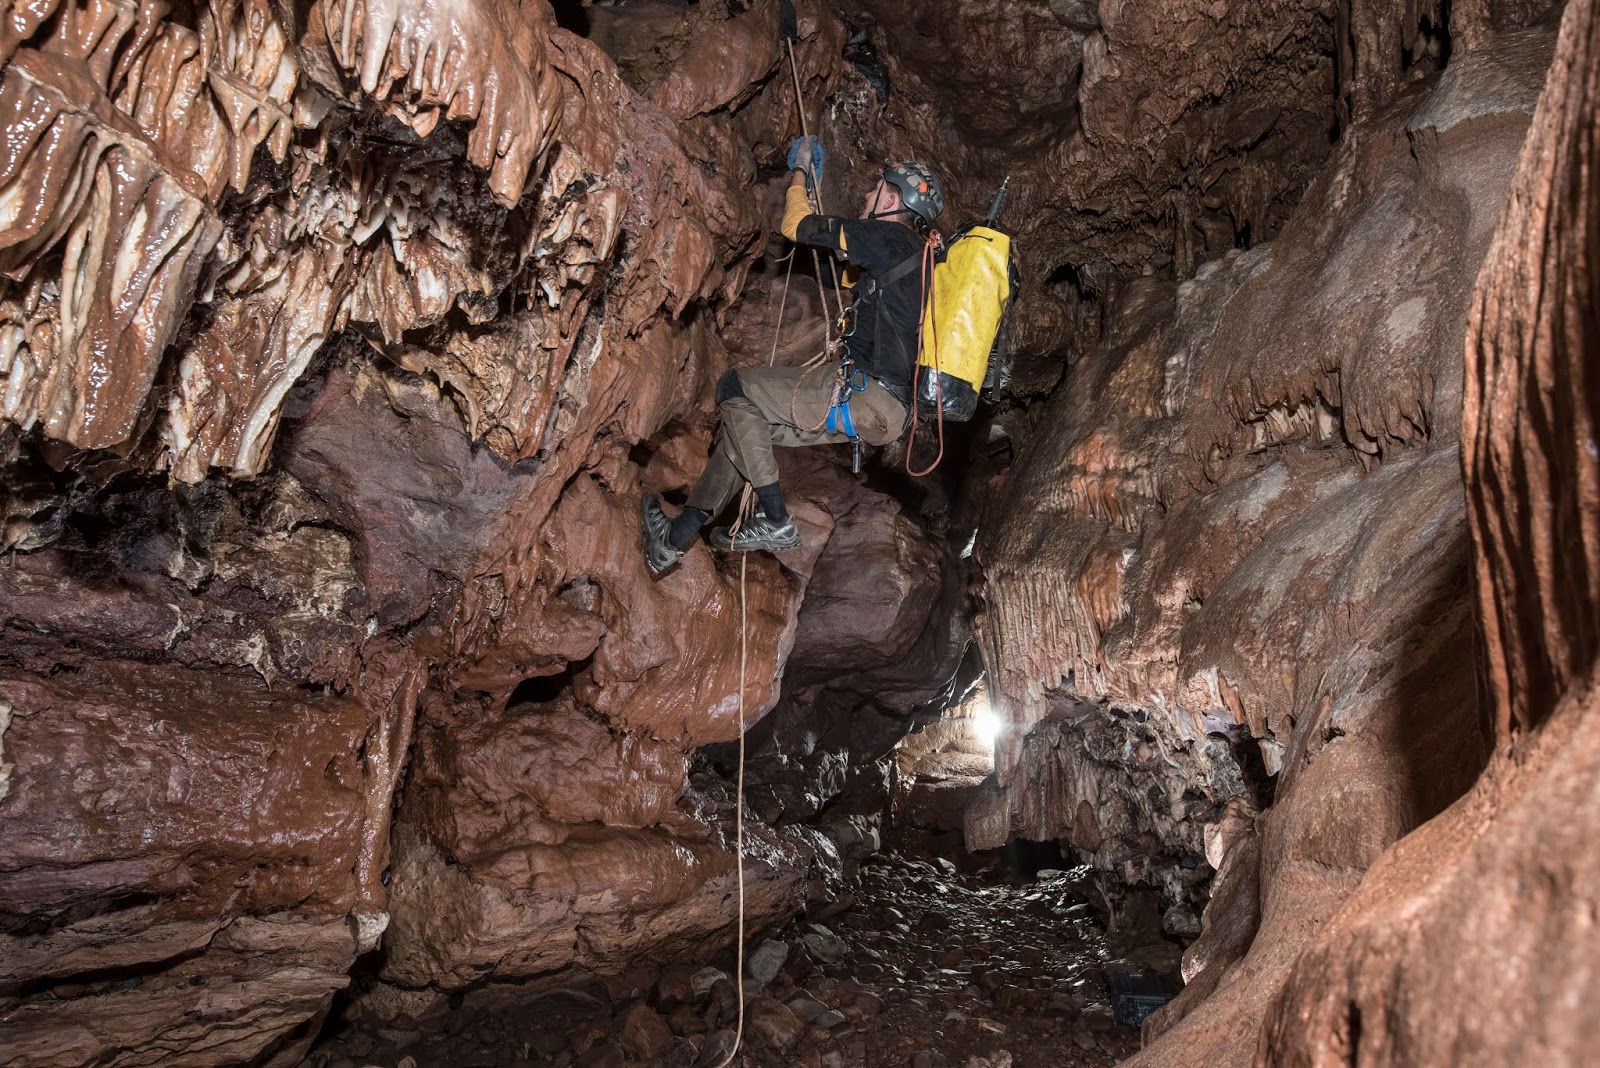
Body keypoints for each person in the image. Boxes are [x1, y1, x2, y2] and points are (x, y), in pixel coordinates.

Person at [640, 138, 946, 575]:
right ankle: (672, 541)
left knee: (735, 387)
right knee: (745, 430)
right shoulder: (916, 260)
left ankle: (776, 519)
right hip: (887, 413)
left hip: (863, 393)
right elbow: (836, 273)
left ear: (893, 198)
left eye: (875, 188)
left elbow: (795, 226)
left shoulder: (888, 236)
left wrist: (801, 172)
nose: (865, 195)